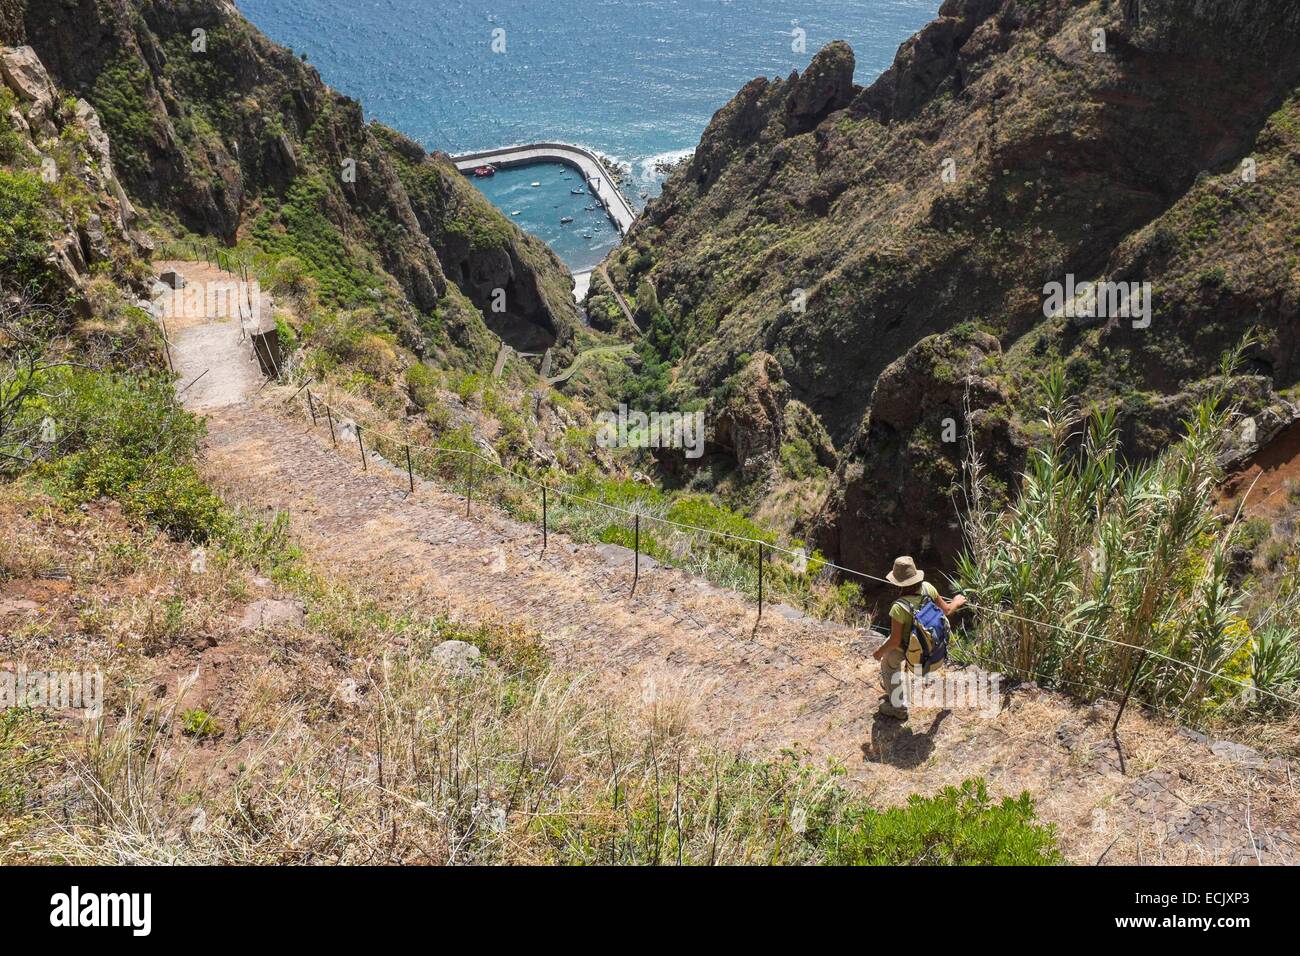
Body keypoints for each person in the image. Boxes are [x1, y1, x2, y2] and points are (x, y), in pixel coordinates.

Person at [872, 555, 966, 720]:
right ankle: (892, 689)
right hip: (929, 646)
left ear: (898, 582)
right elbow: (946, 611)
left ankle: (898, 708)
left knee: (888, 662)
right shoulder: (928, 588)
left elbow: (895, 640)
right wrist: (957, 602)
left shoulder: (898, 607)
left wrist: (879, 652)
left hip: (908, 648)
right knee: (890, 658)